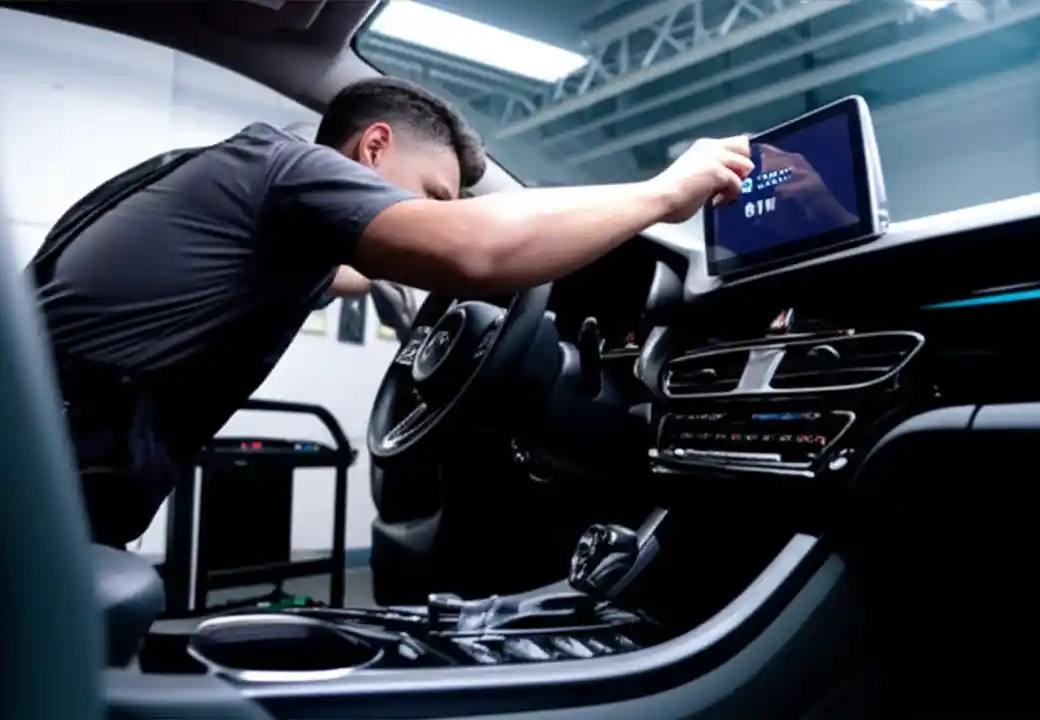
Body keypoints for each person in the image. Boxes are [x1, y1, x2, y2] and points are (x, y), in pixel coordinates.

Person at [32, 77, 752, 547]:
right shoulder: (290, 171)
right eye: (434, 195)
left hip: (46, 491)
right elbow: (477, 256)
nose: (435, 213)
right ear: (374, 146)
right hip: (36, 511)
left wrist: (402, 293)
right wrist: (664, 192)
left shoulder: (257, 204)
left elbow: (348, 275)